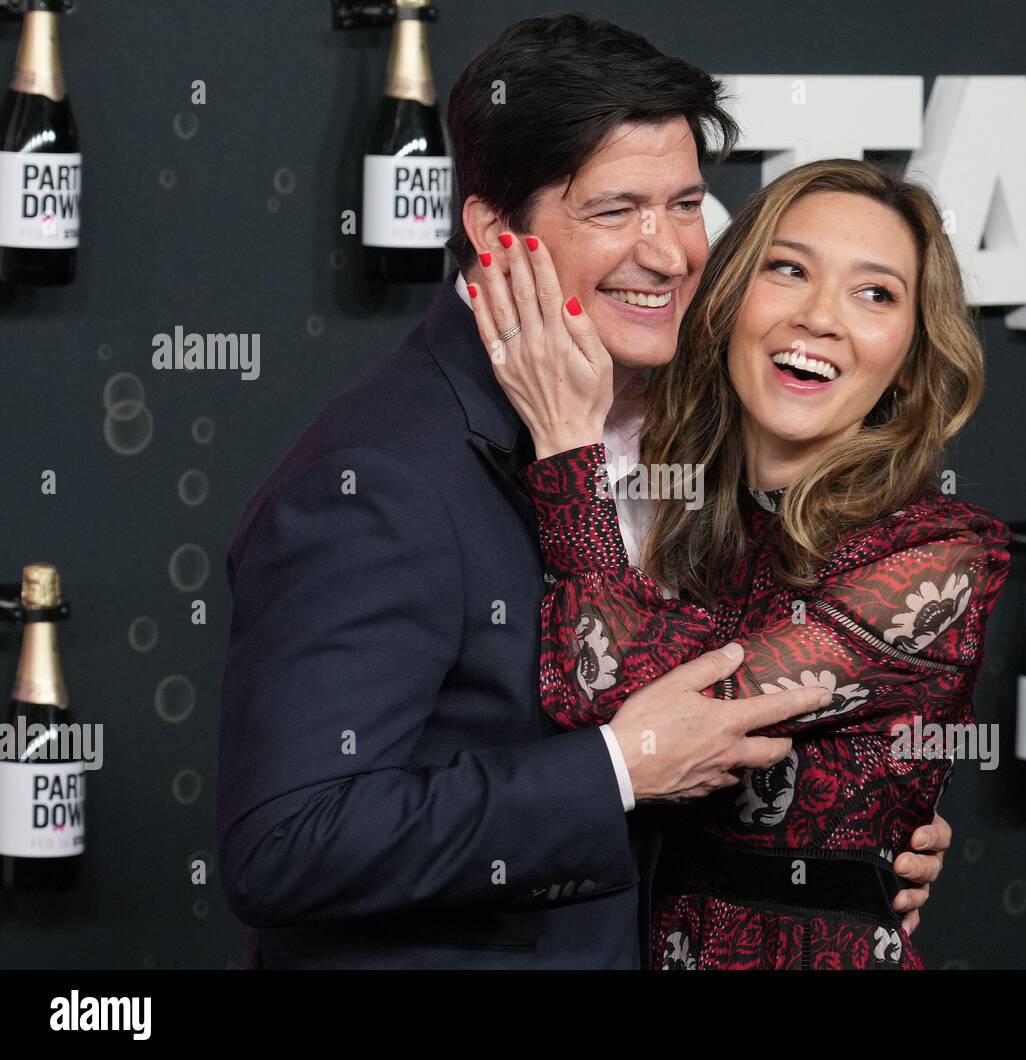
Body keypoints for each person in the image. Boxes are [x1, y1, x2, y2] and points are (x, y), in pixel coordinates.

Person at [217, 14, 952, 970]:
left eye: (685, 204)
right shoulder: (379, 481)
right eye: (614, 212)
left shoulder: (702, 416)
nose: (669, 252)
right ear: (493, 230)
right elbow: (287, 844)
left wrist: (841, 853)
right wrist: (615, 769)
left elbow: (712, 723)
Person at [470, 157, 1009, 969]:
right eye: (788, 270)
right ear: (727, 302)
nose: (821, 317)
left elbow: (616, 699)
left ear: (909, 357)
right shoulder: (678, 509)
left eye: (875, 293)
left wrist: (566, 446)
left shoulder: (938, 554)